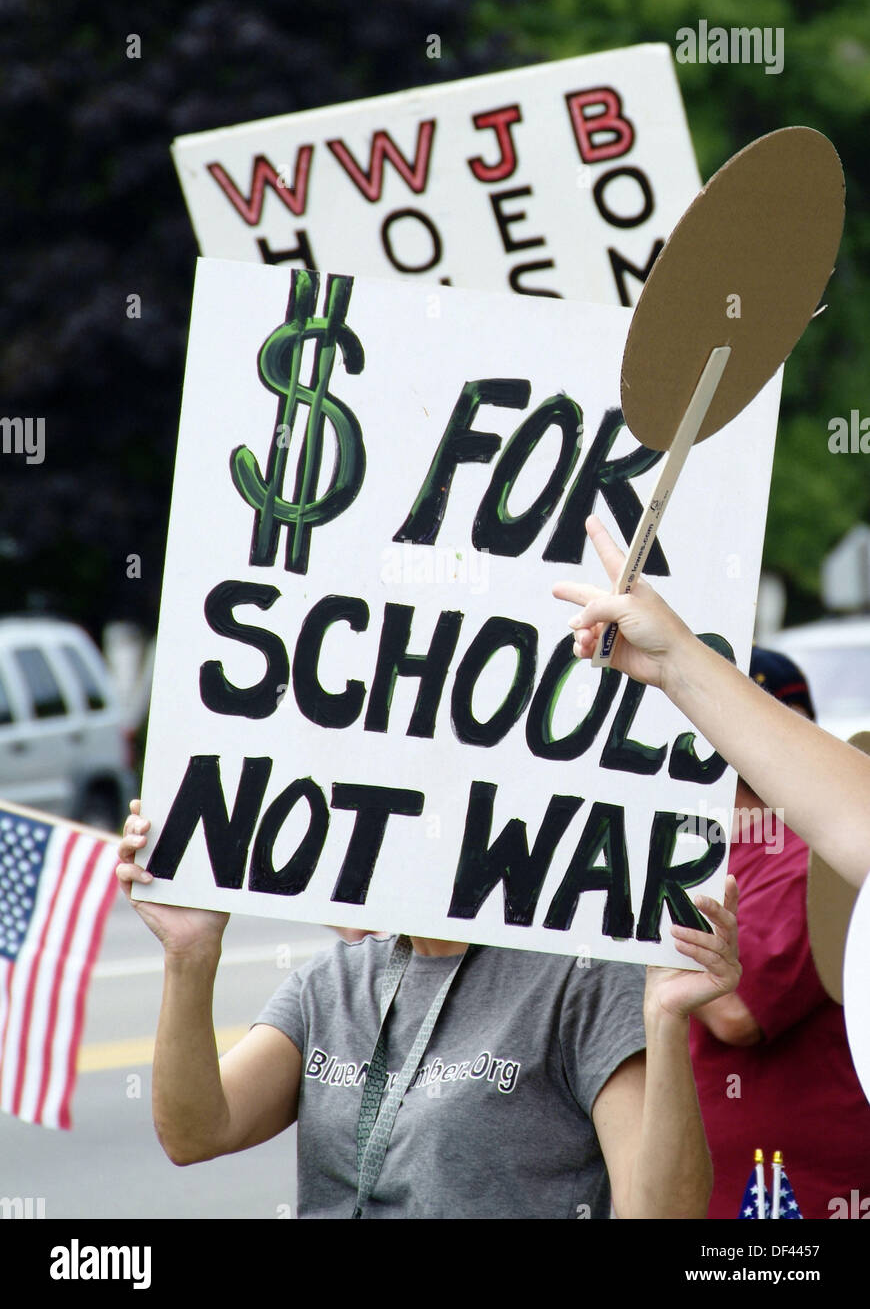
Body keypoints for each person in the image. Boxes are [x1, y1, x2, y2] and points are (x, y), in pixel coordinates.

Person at [117, 801, 740, 1219]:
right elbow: (197, 1132)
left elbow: (663, 1213)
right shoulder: (334, 980)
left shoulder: (581, 978)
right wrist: (189, 956)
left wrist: (664, 1020)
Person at [554, 515, 870, 890]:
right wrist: (673, 658)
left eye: (796, 716)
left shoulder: (792, 868)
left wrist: (675, 658)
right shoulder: (692, 842)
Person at [687, 647, 870, 1218]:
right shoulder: (711, 845)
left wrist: (636, 902)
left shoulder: (816, 856)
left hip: (804, 1198)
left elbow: (737, 1011)